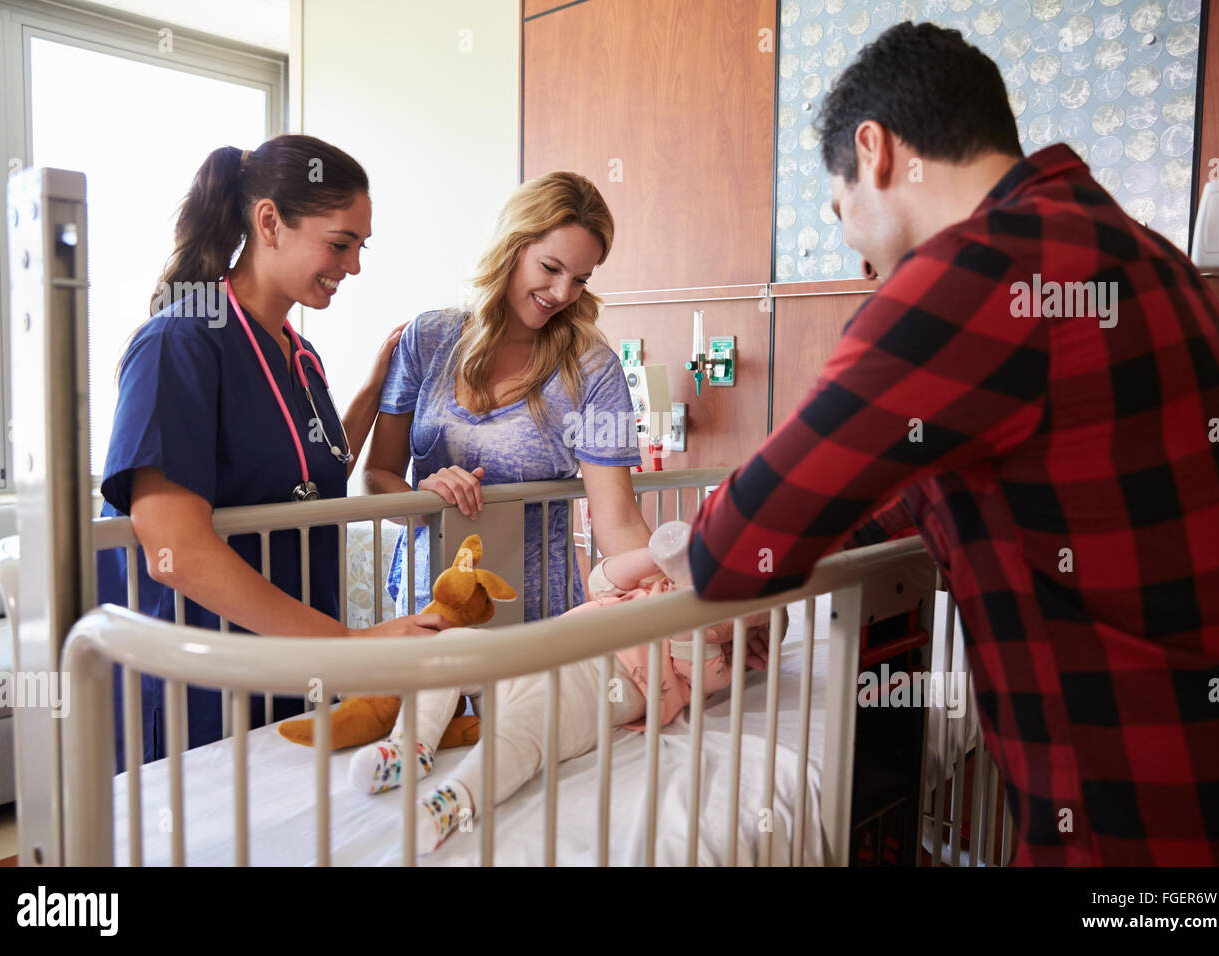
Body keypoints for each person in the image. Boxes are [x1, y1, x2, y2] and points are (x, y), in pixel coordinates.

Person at [688, 22, 1219, 865]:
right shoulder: (1140, 254)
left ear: (875, 151)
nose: (853, 253)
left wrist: (688, 560)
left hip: (1136, 819)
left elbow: (735, 548)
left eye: (839, 207)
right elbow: (973, 481)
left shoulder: (981, 272)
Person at [97, 134, 447, 770]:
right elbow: (176, 552)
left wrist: (375, 387)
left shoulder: (302, 357)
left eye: (360, 247)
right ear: (269, 223)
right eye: (340, 243)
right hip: (209, 680)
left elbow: (309, 480)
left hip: (298, 671)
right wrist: (351, 646)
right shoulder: (179, 343)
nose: (354, 266)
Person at [343, 521, 772, 855]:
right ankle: (410, 747)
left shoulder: (718, 656)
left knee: (524, 732)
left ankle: (454, 801)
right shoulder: (649, 587)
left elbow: (693, 665)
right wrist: (658, 558)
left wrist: (694, 606)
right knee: (451, 646)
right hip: (539, 649)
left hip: (599, 682)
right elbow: (602, 580)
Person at [362, 172, 652, 620]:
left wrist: (678, 585)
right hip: (429, 606)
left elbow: (619, 524)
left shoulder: (593, 368)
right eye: (551, 268)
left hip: (536, 615)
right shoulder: (426, 339)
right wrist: (423, 503)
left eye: (579, 279)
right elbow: (378, 476)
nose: (562, 294)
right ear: (511, 248)